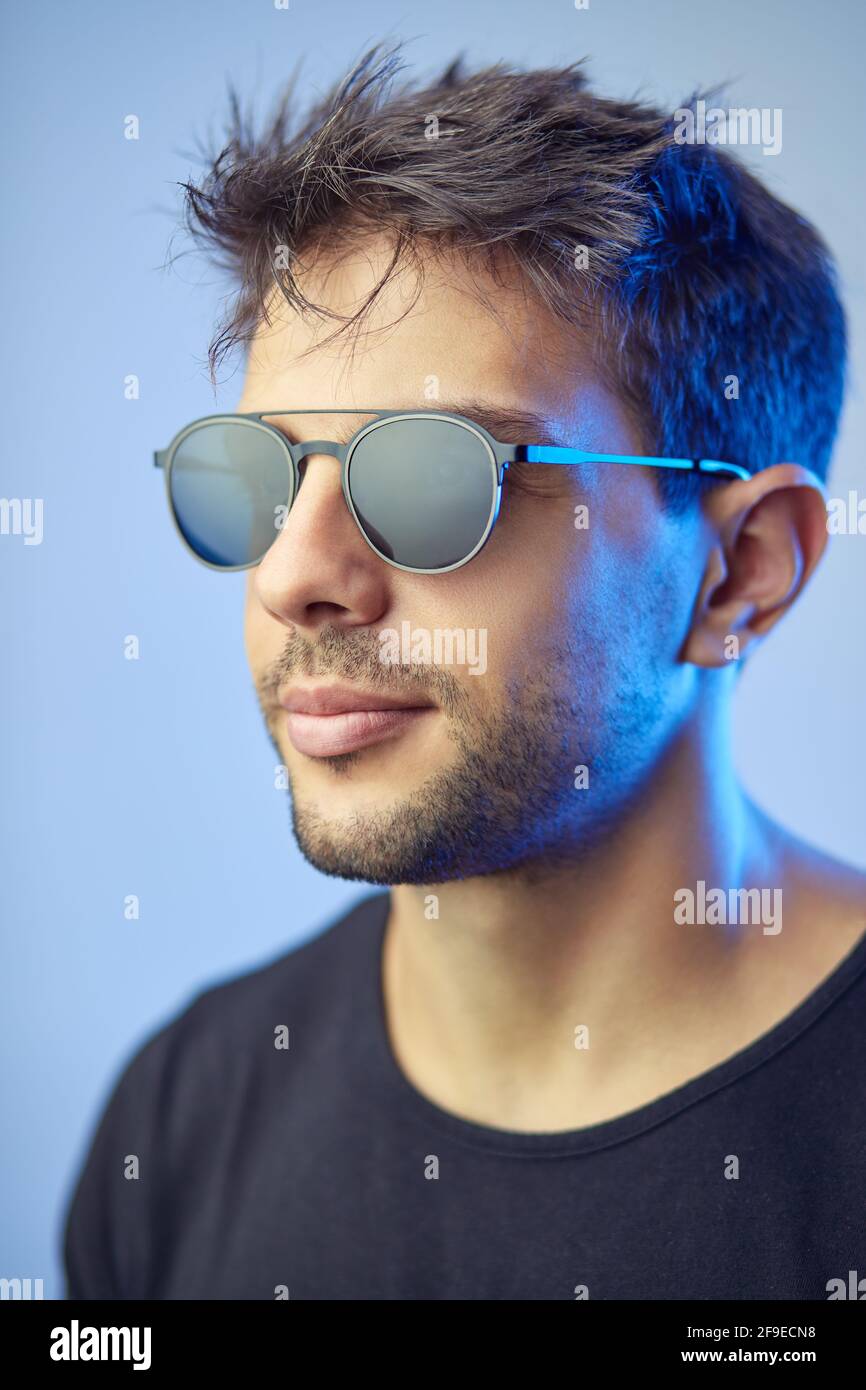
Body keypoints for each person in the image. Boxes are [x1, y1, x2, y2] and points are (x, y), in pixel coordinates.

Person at [64, 43, 866, 1301]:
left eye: (438, 475)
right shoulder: (178, 1117)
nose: (291, 578)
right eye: (259, 481)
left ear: (739, 573)